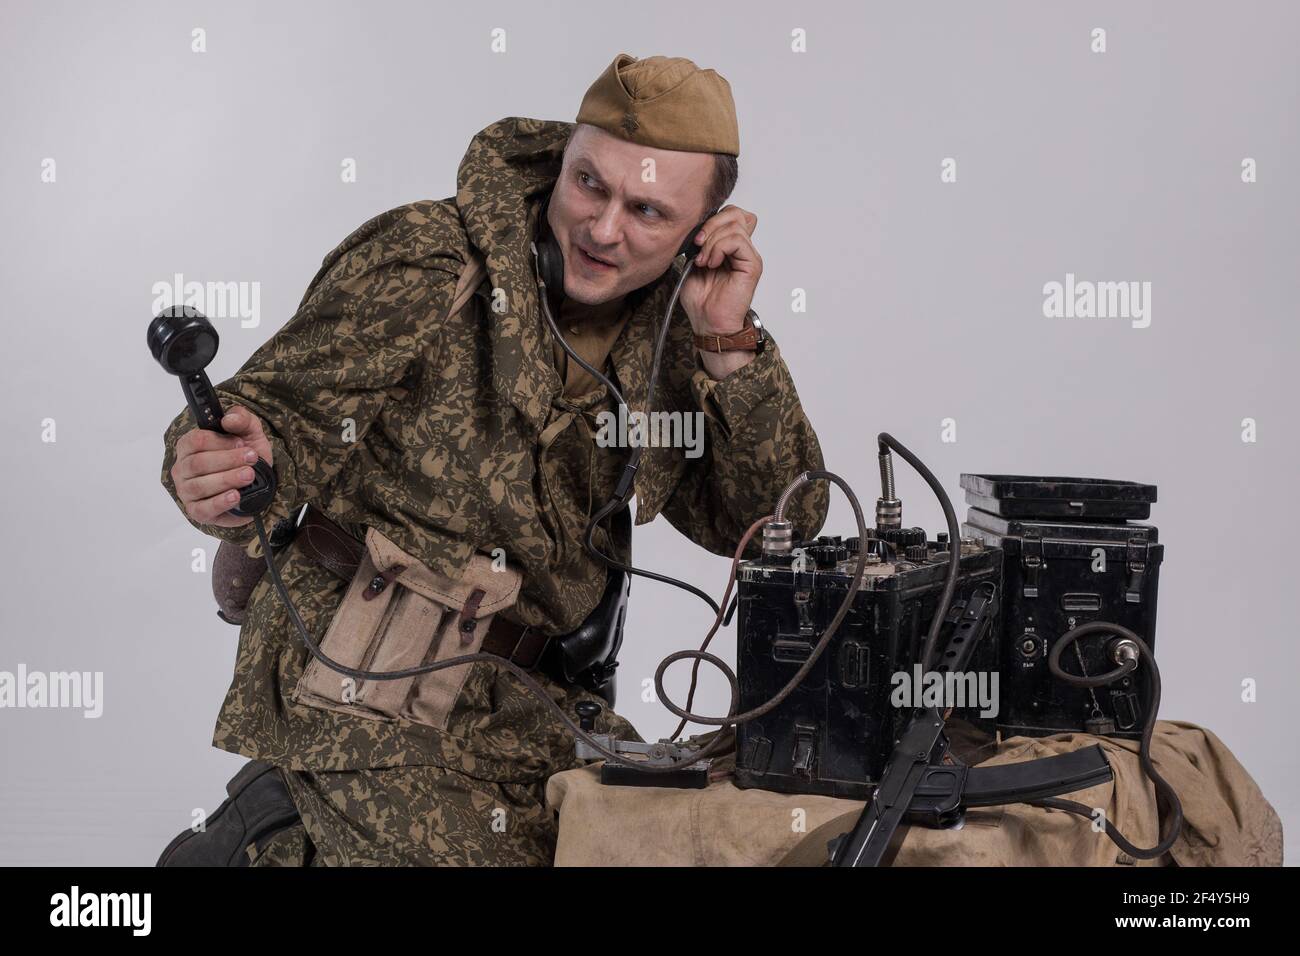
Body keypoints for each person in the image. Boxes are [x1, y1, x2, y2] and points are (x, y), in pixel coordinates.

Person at [158, 52, 829, 866]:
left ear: (702, 230)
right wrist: (222, 466)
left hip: (532, 702)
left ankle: (281, 832)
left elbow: (770, 531)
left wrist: (728, 339)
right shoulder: (429, 261)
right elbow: (273, 423)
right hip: (361, 674)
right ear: (561, 164)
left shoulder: (685, 331)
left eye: (648, 211)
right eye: (589, 185)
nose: (603, 228)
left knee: (668, 845)